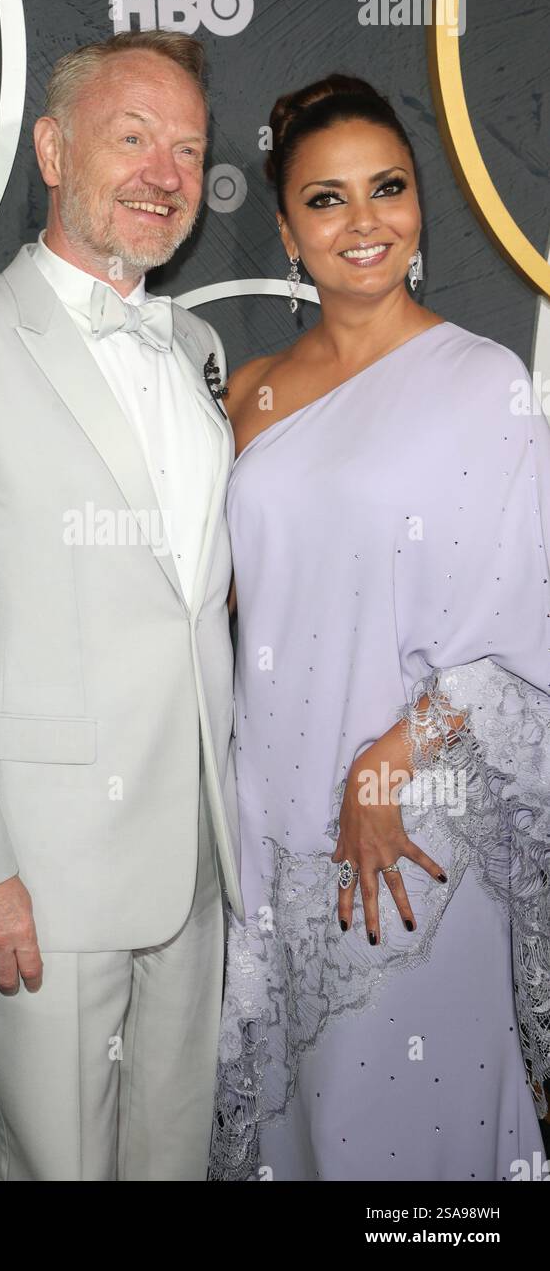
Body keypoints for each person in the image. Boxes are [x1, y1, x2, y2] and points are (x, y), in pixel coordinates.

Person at [0, 29, 244, 1182]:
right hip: (40, 875)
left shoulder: (198, 348)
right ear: (49, 148)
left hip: (192, 864)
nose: (162, 173)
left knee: (168, 1161)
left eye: (185, 148)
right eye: (130, 137)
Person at [210, 73, 550, 1182]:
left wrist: (384, 767)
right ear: (283, 229)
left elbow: (519, 623)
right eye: (325, 198)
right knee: (301, 1125)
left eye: (387, 188)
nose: (363, 222)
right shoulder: (247, 393)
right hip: (265, 816)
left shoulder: (481, 381)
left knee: (402, 1125)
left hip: (413, 814)